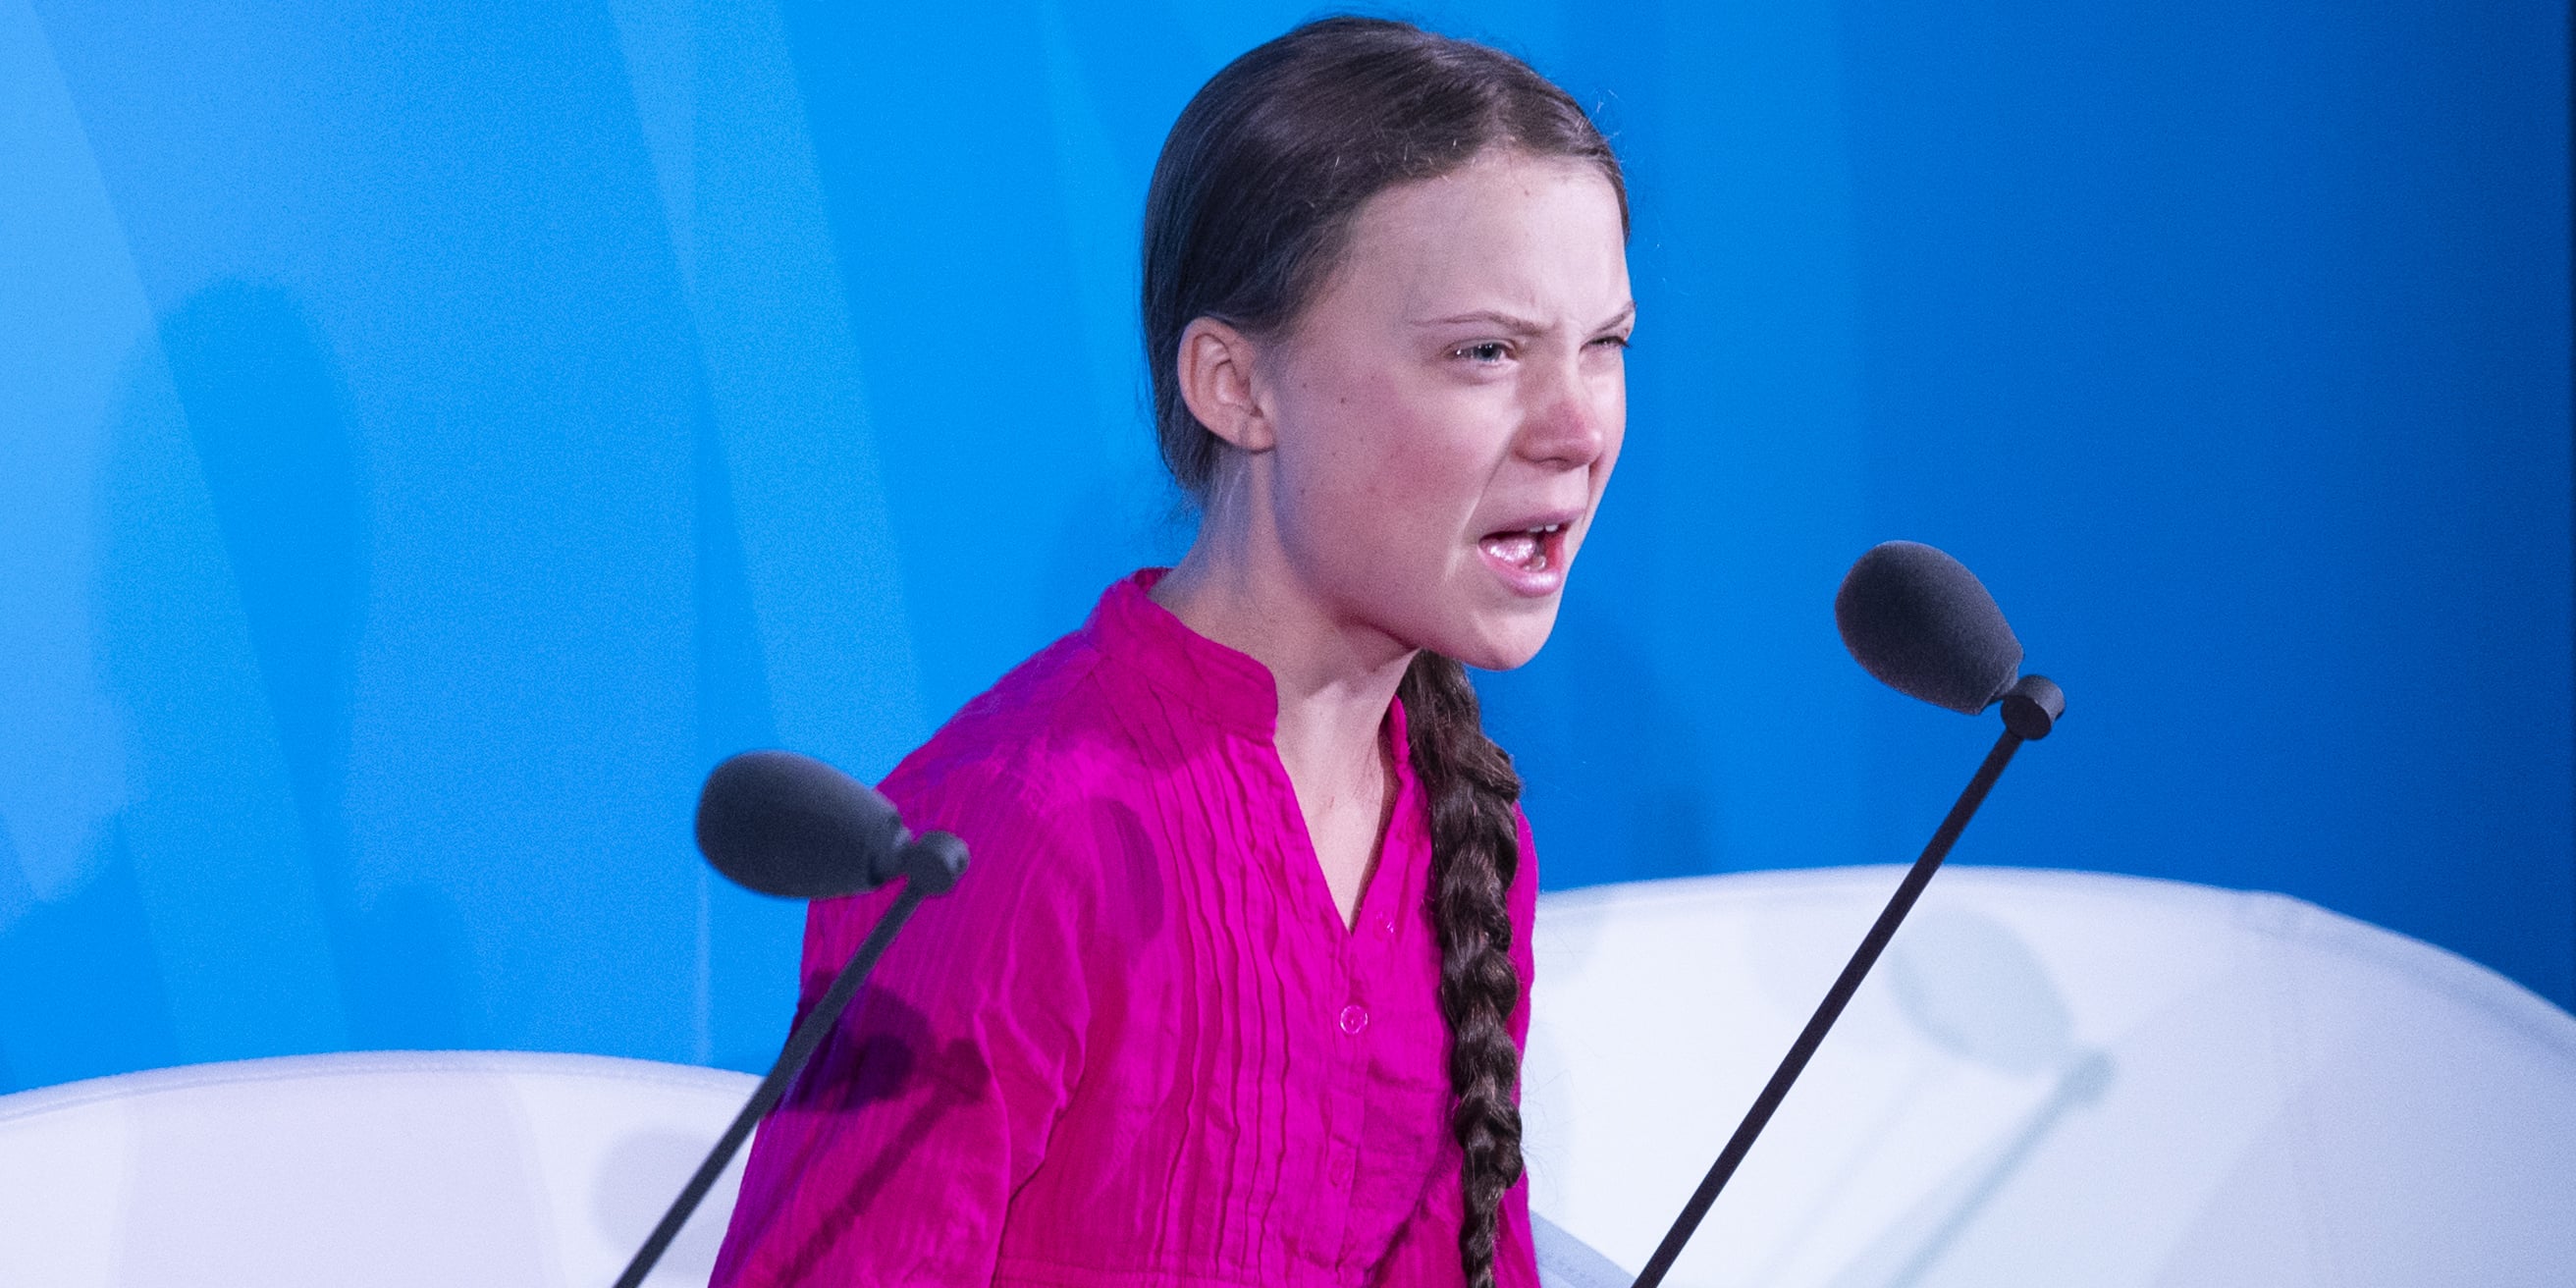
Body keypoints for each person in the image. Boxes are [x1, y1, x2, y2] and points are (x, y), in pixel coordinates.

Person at [710, 16, 1631, 1287]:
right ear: (1235, 386)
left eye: (1606, 346)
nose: (1581, 425)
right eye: (1485, 351)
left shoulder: (1471, 840)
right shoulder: (1009, 832)